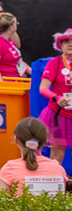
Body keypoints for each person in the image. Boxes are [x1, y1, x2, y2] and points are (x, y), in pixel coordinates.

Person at [0, 117, 67, 194]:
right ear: (45, 142)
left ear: (15, 140)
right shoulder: (58, 168)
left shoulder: (9, 169)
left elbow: (3, 202)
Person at [35, 28, 72, 169]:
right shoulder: (54, 63)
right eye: (66, 42)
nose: (70, 44)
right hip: (59, 115)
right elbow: (43, 88)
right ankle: (56, 189)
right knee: (57, 156)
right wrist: (56, 97)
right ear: (60, 46)